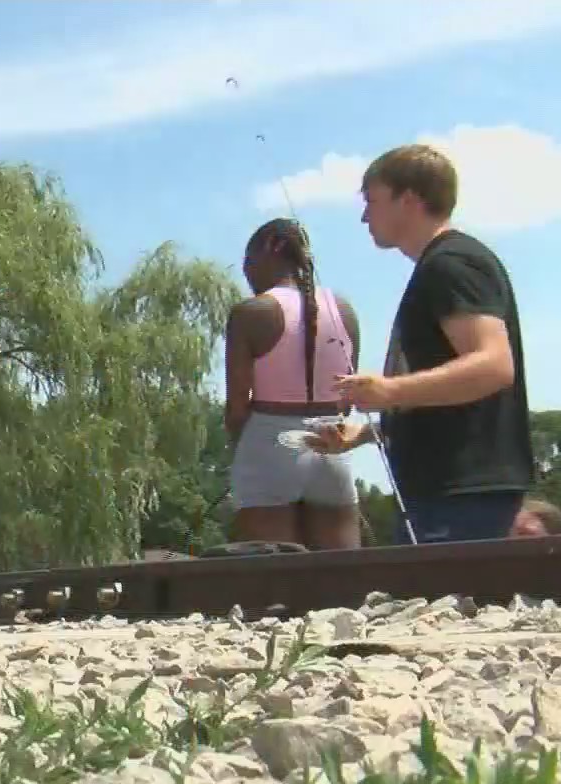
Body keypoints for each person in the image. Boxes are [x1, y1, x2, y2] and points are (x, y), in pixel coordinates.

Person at [309, 143, 532, 543]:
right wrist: (366, 434)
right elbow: (451, 394)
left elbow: (494, 366)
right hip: (449, 492)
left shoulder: (451, 264)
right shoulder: (445, 263)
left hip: (460, 494)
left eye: (372, 200)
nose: (364, 216)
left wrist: (390, 391)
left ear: (409, 199)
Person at [224, 218, 363, 550]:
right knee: (342, 571)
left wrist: (241, 452)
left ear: (271, 248)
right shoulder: (345, 311)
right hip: (331, 444)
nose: (247, 272)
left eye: (249, 261)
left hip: (268, 441)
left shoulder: (251, 312)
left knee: (273, 573)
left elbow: (237, 408)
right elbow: (348, 401)